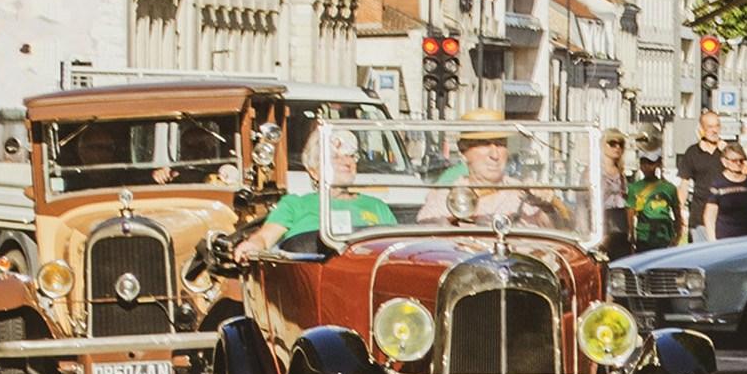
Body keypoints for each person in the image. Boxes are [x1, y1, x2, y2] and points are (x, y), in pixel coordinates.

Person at [238, 133, 396, 258]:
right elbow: (265, 237)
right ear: (313, 171)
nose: (346, 162)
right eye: (335, 157)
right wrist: (253, 245)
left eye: (350, 155)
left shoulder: (377, 206)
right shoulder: (295, 205)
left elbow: (396, 248)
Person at [417, 113, 571, 228]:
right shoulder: (444, 198)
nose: (494, 155)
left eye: (500, 144)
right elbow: (429, 241)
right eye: (484, 144)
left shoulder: (524, 194)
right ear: (463, 151)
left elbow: (562, 231)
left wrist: (547, 205)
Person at [677, 111, 735, 240]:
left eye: (717, 126)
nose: (715, 130)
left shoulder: (728, 151)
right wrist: (679, 212)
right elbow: (683, 185)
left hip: (725, 219)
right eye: (710, 127)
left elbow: (746, 173)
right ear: (701, 129)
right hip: (699, 219)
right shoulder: (693, 152)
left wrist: (728, 152)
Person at [628, 148, 683, 251]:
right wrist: (631, 235)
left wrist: (678, 235)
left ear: (658, 164)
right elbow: (630, 213)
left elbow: (677, 213)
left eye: (651, 163)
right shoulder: (634, 188)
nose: (647, 167)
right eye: (643, 163)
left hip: (665, 236)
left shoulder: (669, 188)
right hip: (643, 236)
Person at [711, 142, 747, 237]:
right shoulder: (718, 184)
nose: (738, 164)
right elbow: (710, 214)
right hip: (726, 237)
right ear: (724, 161)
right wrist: (712, 240)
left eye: (742, 160)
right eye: (734, 161)